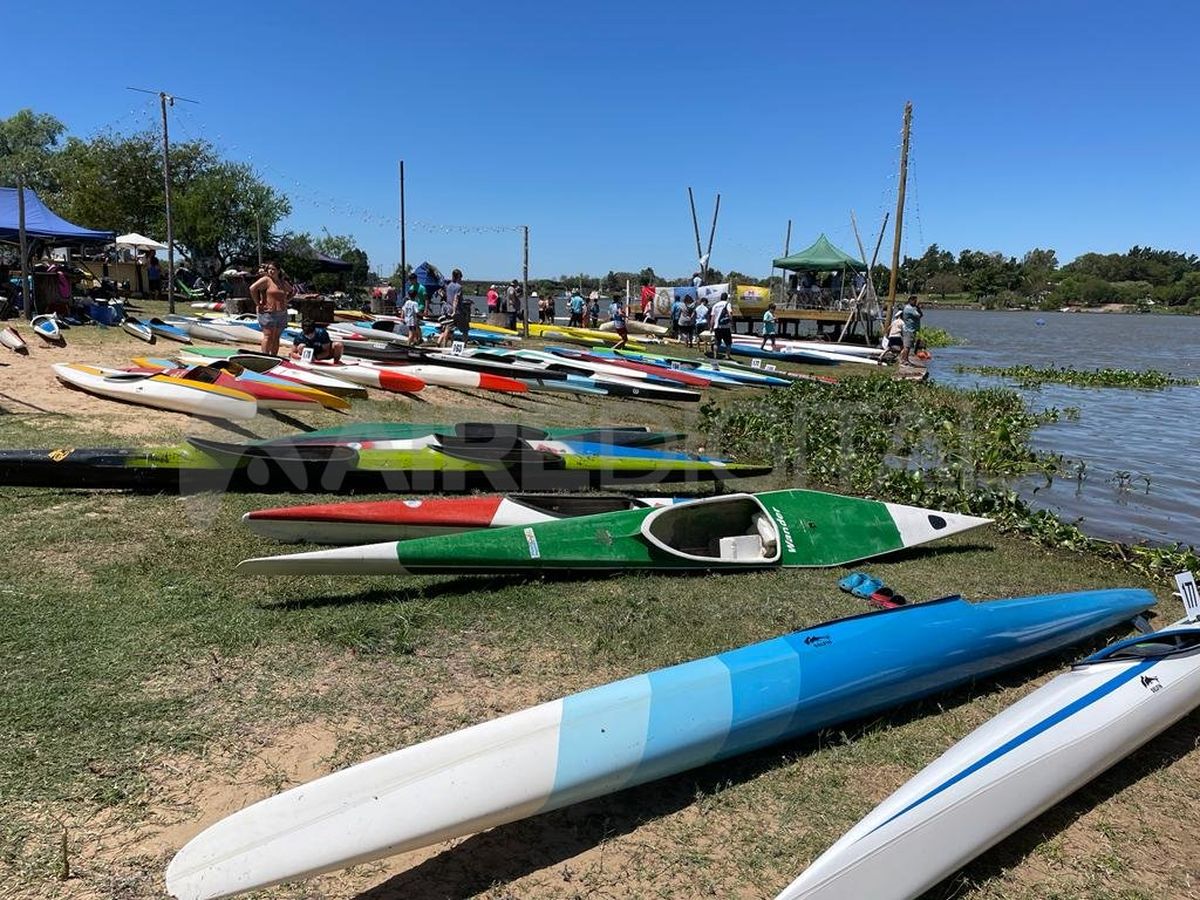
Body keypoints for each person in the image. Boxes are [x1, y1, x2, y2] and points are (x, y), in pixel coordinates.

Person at [249, 260, 294, 355]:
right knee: (268, 335)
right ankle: (265, 355)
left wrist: (286, 300)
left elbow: (292, 291)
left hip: (281, 312)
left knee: (276, 336)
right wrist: (258, 303)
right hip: (268, 312)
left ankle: (274, 356)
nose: (271, 271)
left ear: (278, 271)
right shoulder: (266, 280)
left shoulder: (282, 282)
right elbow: (252, 288)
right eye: (269, 269)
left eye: (273, 269)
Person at [438, 268, 464, 347]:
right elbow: (456, 299)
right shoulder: (459, 287)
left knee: (450, 328)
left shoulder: (449, 285)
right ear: (458, 276)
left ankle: (451, 344)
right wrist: (454, 311)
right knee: (449, 328)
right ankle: (445, 345)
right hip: (453, 309)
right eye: (460, 277)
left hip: (447, 308)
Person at [899, 294, 923, 366]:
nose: (915, 302)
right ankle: (904, 360)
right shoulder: (909, 309)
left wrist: (917, 308)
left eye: (916, 301)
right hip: (908, 330)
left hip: (911, 329)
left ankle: (905, 360)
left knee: (908, 346)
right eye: (914, 301)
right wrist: (918, 308)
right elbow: (919, 315)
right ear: (910, 300)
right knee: (907, 346)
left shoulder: (911, 308)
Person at [710, 292, 734, 359]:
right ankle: (727, 356)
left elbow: (712, 317)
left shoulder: (715, 305)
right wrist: (731, 323)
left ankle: (715, 355)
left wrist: (711, 327)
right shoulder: (727, 304)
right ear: (726, 298)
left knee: (717, 342)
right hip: (725, 326)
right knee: (728, 342)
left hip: (717, 326)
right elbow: (730, 313)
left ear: (720, 297)